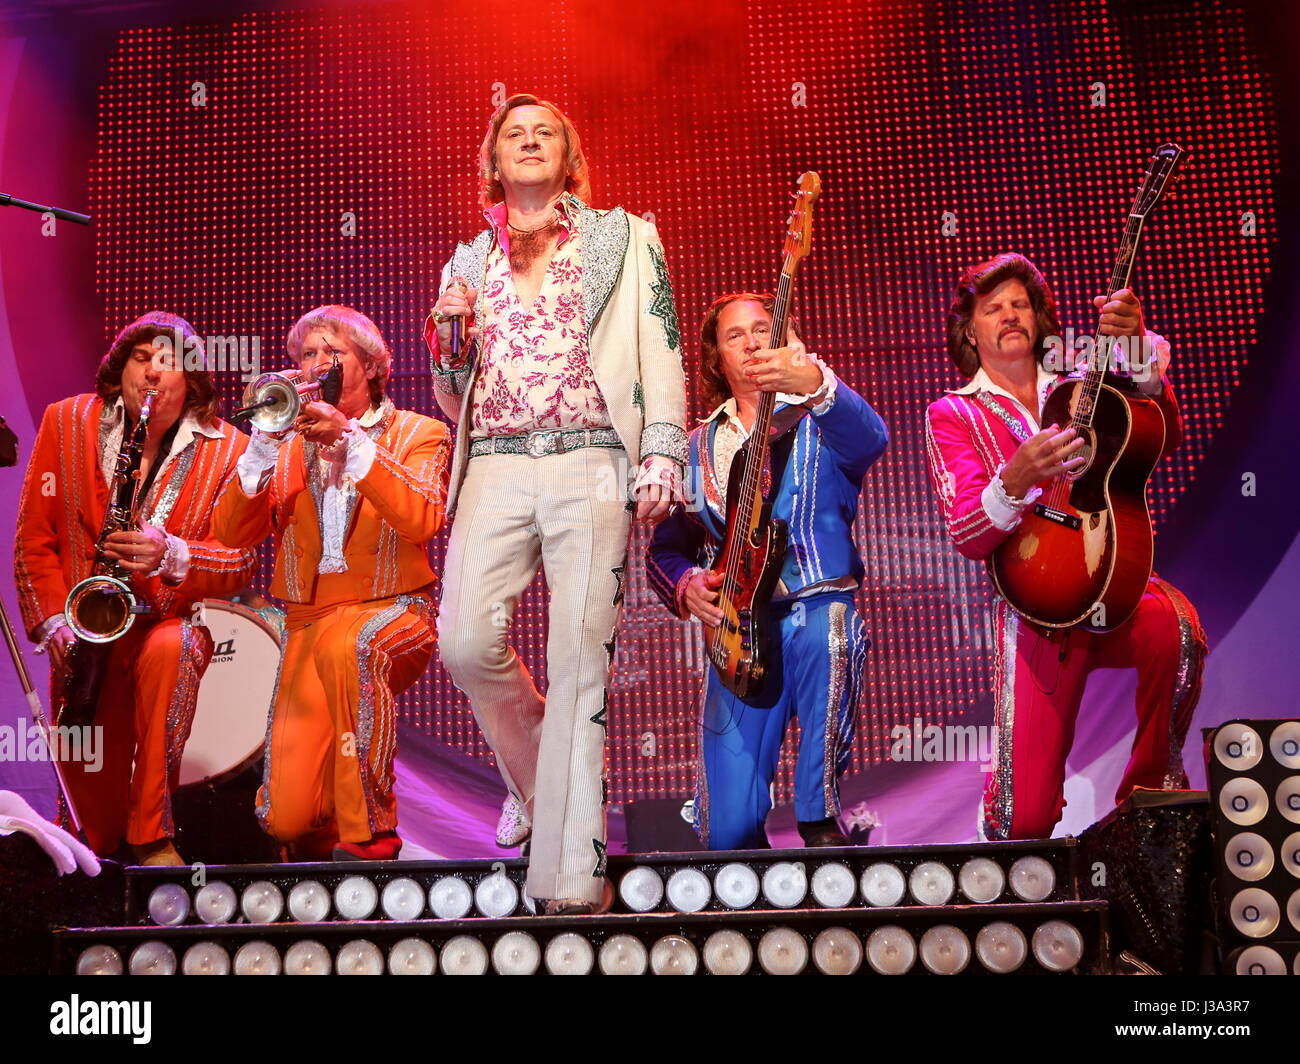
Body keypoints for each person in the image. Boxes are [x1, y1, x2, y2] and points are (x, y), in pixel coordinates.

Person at [425, 93, 686, 913]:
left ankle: (570, 876)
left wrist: (662, 451)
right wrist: (449, 340)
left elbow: (662, 348)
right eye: (513, 134)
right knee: (464, 642)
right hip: (497, 463)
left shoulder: (625, 235)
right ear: (493, 163)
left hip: (591, 457)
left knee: (581, 665)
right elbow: (450, 390)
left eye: (545, 134)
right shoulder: (466, 262)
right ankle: (546, 779)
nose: (529, 142)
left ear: (568, 158)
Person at [923, 252, 1207, 840]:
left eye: (1020, 304)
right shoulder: (954, 413)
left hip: (1113, 583)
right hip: (1035, 611)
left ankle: (1149, 806)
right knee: (1024, 820)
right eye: (992, 307)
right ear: (969, 332)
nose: (1009, 315)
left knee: (1175, 627)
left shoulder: (1086, 380)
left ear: (1040, 318)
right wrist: (1016, 478)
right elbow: (968, 535)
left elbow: (1166, 431)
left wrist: (1136, 344)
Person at [647, 293, 888, 849]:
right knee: (726, 833)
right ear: (716, 360)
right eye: (736, 336)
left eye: (763, 330)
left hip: (814, 602)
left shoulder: (820, 416)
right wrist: (687, 586)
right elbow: (665, 550)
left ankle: (819, 816)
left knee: (831, 633)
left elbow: (872, 439)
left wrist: (815, 381)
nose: (753, 341)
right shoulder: (694, 448)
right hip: (738, 632)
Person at [14, 312, 256, 864]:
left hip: (162, 624)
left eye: (167, 362)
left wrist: (172, 553)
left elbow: (239, 557)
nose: (152, 373)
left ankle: (153, 833)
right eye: (141, 359)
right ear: (120, 370)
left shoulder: (230, 450)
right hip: (84, 628)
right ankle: (90, 847)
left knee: (176, 649)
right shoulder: (65, 420)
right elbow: (34, 537)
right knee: (91, 832)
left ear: (192, 380)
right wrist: (54, 622)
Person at [211, 305, 450, 861]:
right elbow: (231, 534)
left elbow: (422, 516)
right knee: (287, 819)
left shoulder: (421, 431)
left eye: (331, 353)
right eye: (306, 356)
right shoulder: (287, 446)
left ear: (368, 365)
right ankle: (337, 864)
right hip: (308, 619)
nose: (316, 365)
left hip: (396, 609)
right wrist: (263, 446)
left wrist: (351, 440)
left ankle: (373, 834)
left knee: (354, 647)